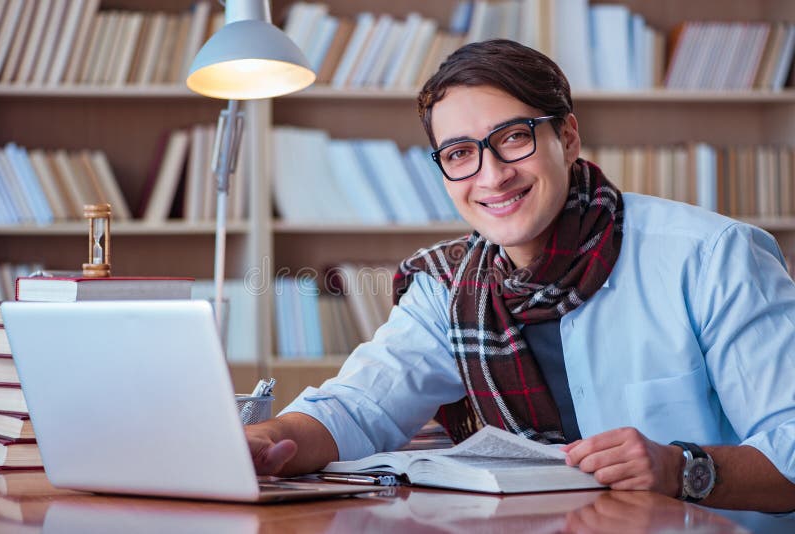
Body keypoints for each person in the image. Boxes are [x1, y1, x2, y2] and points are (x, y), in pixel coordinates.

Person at [245, 39, 795, 512]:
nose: (493, 175)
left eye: (513, 137)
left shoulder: (713, 256)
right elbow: (357, 409)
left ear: (568, 138)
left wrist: (682, 468)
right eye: (460, 153)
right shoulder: (449, 285)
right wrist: (267, 439)